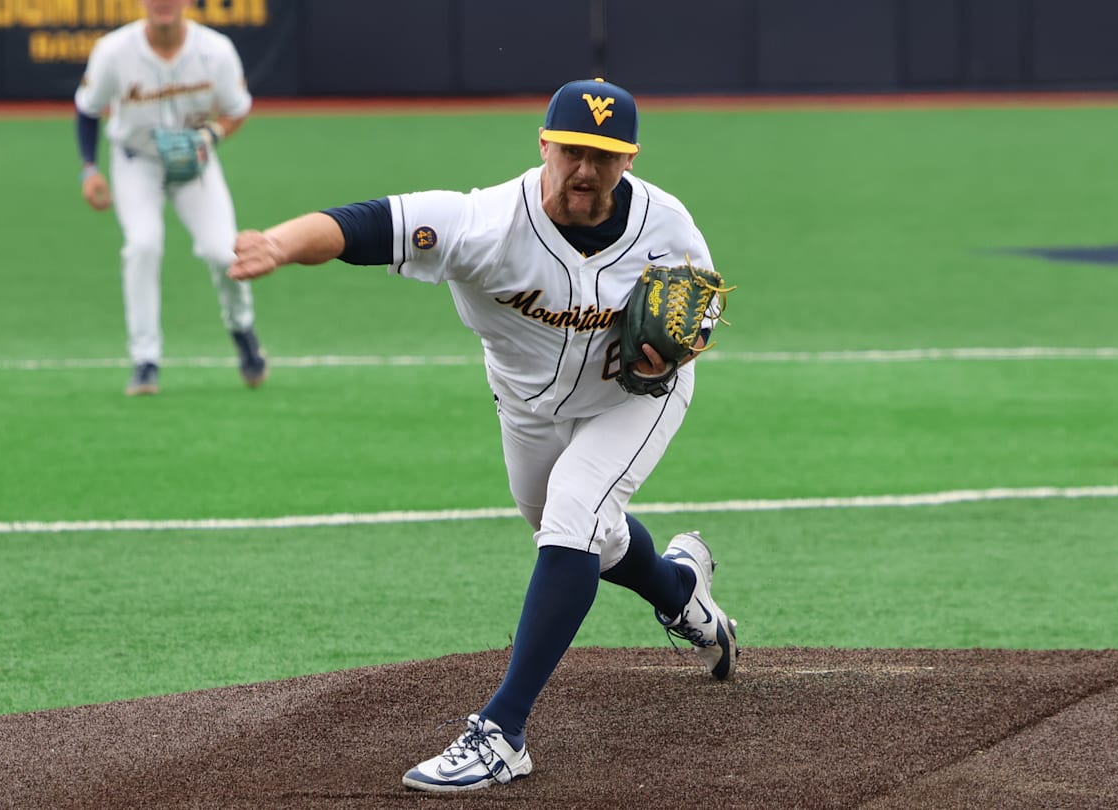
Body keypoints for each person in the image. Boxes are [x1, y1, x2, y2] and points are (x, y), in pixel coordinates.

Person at [228, 78, 739, 793]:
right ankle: (683, 591)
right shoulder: (483, 222)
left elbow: (699, 310)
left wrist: (675, 352)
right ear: (544, 145)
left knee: (572, 515)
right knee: (582, 532)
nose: (586, 169)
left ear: (630, 159)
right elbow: (362, 226)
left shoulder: (667, 223)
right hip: (527, 408)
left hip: (633, 399)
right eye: (572, 150)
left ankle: (502, 733)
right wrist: (279, 245)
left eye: (605, 154)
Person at [75, 0, 267, 396]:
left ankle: (242, 331)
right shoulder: (114, 51)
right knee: (143, 246)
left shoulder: (215, 51)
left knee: (224, 254)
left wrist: (211, 136)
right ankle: (145, 360)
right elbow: (88, 109)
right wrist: (90, 168)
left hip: (195, 162)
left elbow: (237, 110)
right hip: (136, 162)